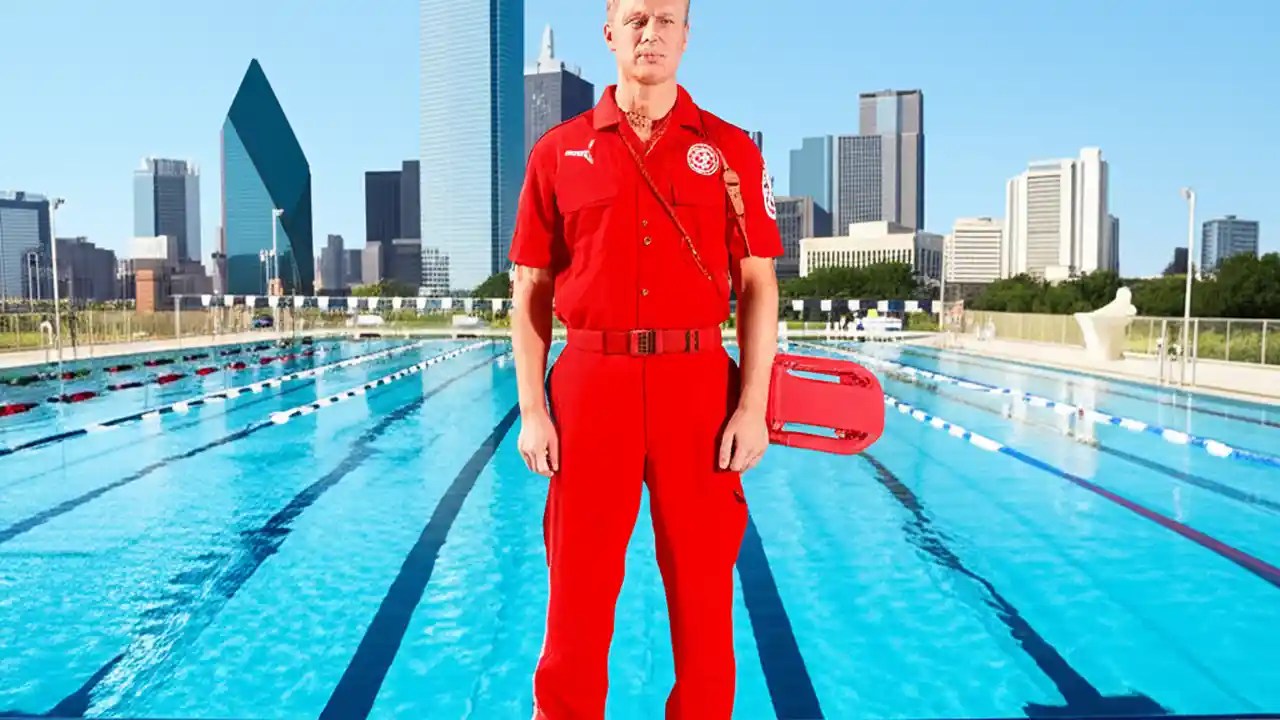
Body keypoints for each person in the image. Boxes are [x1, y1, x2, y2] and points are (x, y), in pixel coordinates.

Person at [508, 0, 783, 717]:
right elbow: (532, 287)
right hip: (590, 384)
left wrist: (752, 407)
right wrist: (533, 411)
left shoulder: (730, 151)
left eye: (666, 18)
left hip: (696, 389)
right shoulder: (557, 152)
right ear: (609, 33)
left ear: (687, 35)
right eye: (635, 18)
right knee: (576, 599)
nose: (650, 32)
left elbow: (757, 283)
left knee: (703, 601)